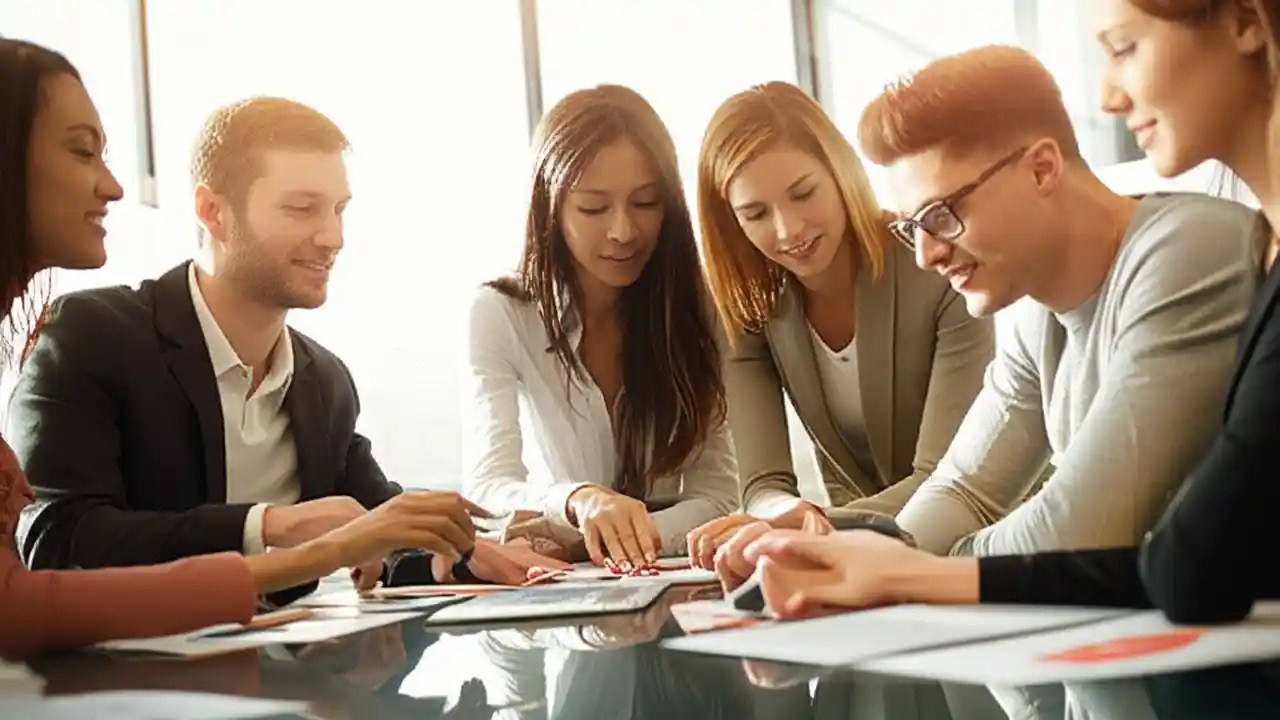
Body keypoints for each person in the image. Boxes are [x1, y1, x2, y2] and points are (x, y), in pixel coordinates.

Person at [742, 0, 1280, 626]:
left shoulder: (1188, 249)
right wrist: (851, 557)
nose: (926, 254)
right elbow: (964, 489)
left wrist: (904, 570)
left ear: (1042, 168)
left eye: (941, 215)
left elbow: (1077, 532)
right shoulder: (1036, 308)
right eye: (913, 227)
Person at [0, 38, 483, 661]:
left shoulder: (323, 379)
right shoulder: (92, 336)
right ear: (213, 212)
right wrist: (270, 526)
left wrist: (484, 548)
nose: (333, 237)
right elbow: (55, 546)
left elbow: (378, 523)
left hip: (276, 681)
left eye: (339, 210)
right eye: (303, 208)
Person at [685, 81, 994, 570]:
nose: (789, 229)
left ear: (840, 172)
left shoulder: (936, 265)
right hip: (862, 557)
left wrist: (809, 527)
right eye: (755, 213)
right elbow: (764, 484)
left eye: (803, 193)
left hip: (985, 538)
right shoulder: (750, 308)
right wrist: (782, 514)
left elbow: (944, 479)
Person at [463, 85, 737, 569]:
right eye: (593, 208)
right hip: (574, 579)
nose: (623, 231)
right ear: (551, 207)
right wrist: (577, 501)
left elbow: (720, 495)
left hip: (667, 571)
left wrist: (614, 538)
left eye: (646, 202)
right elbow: (488, 487)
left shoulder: (701, 305)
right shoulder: (502, 312)